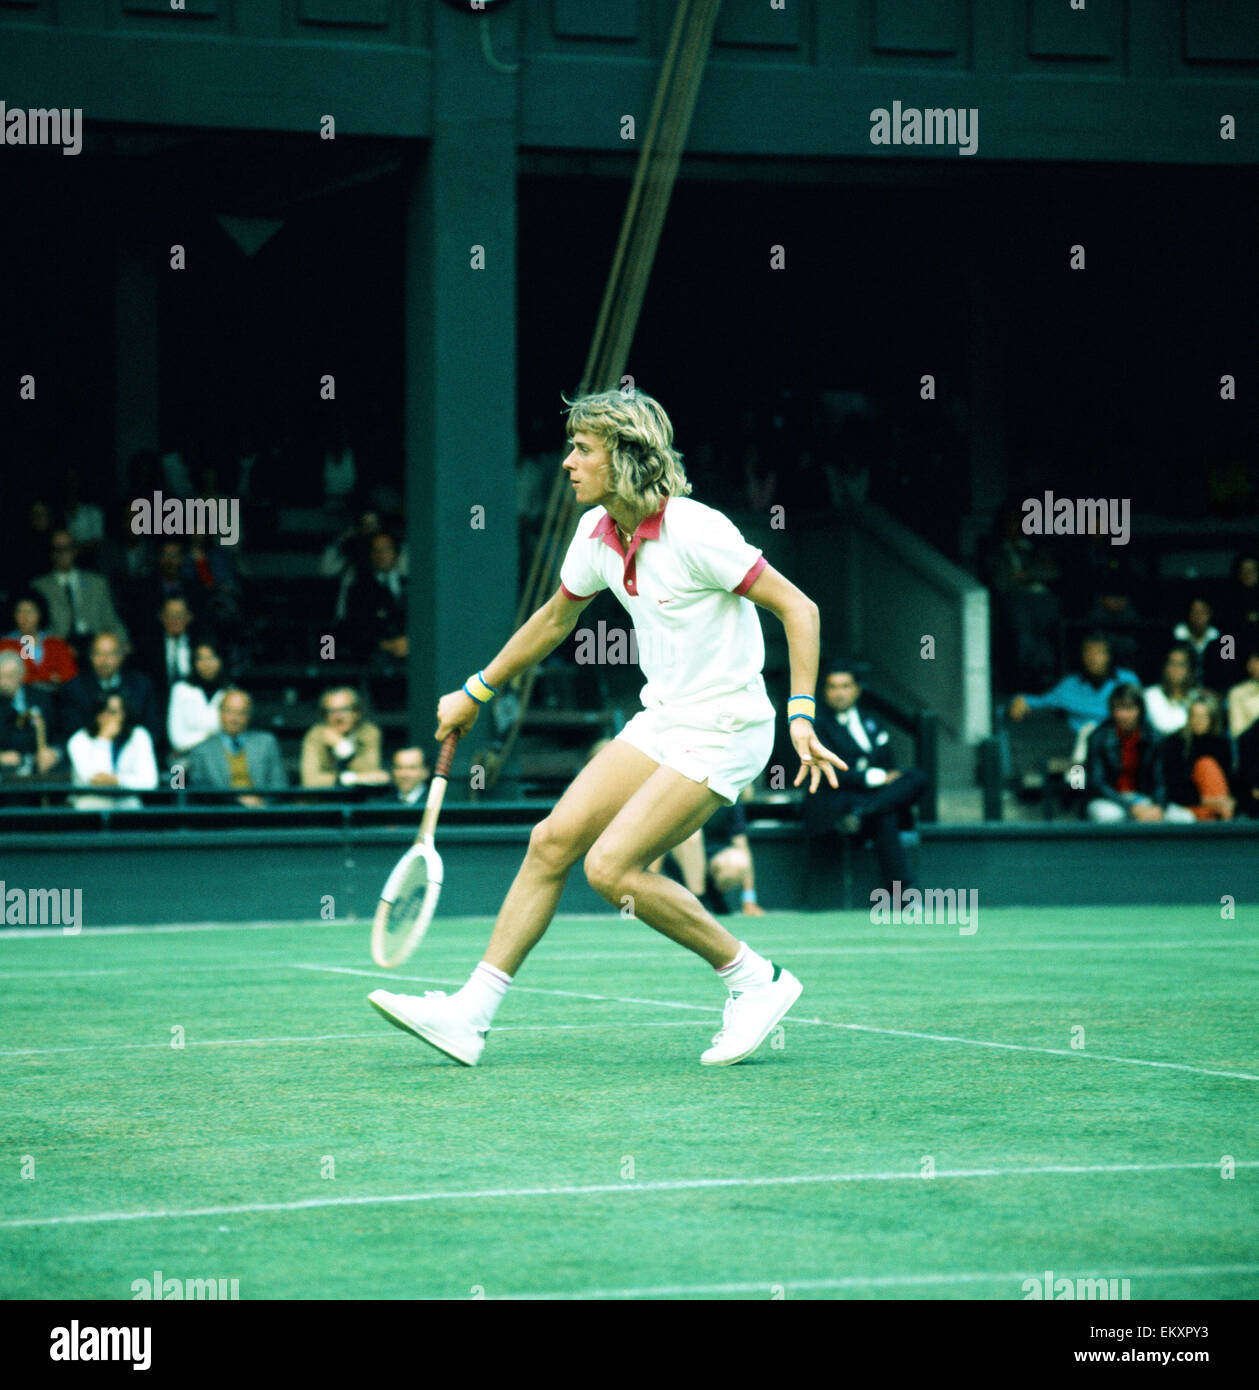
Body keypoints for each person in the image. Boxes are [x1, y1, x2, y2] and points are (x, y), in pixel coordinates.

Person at [367, 388, 844, 1068]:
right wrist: (477, 689)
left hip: (728, 726)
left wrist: (800, 714)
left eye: (582, 449)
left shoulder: (697, 530)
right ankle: (468, 1017)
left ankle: (754, 980)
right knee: (551, 840)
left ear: (623, 457)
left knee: (611, 868)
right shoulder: (595, 535)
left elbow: (800, 608)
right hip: (664, 718)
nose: (566, 463)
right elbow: (556, 619)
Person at [804, 659, 928, 893]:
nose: (839, 693)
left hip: (866, 802)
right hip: (836, 799)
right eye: (833, 687)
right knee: (885, 814)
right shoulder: (816, 725)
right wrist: (876, 778)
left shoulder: (870, 721)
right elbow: (831, 771)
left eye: (845, 686)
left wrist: (878, 780)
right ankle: (903, 894)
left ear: (857, 690)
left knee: (916, 777)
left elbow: (888, 763)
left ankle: (866, 810)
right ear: (825, 692)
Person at [183, 688, 287, 807]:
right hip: (221, 816)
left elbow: (279, 785)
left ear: (249, 716)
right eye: (229, 711)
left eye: (241, 713)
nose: (234, 719)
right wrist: (238, 801)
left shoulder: (266, 743)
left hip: (261, 814)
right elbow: (201, 792)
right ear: (220, 713)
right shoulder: (202, 750)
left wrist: (261, 803)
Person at [32, 530, 130, 655]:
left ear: (75, 551)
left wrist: (123, 642)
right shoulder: (40, 587)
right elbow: (36, 629)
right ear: (51, 553)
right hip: (58, 650)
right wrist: (60, 648)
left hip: (95, 649)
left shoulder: (97, 583)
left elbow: (111, 620)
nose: (63, 553)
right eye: (58, 549)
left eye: (68, 548)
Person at [1084, 684, 1171, 823]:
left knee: (1181, 817)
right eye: (1119, 709)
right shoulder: (1097, 738)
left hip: (1144, 799)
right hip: (1109, 800)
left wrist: (1159, 806)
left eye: (1130, 708)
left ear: (1140, 710)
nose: (1124, 715)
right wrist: (1131, 806)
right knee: (1110, 816)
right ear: (1112, 711)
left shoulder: (1154, 738)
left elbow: (1161, 782)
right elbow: (1096, 783)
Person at [58, 631, 160, 749]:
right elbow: (71, 730)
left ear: (121, 656)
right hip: (90, 754)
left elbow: (152, 727)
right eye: (98, 654)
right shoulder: (74, 688)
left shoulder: (140, 685)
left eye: (110, 654)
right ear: (90, 656)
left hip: (133, 752)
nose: (104, 660)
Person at [67, 692, 158, 810]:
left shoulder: (139, 736)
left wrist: (117, 780)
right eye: (102, 711)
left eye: (112, 712)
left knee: (132, 805)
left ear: (124, 714)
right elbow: (94, 779)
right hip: (90, 805)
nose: (106, 717)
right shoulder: (79, 740)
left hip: (126, 804)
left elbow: (149, 782)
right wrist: (104, 739)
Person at [1159, 691, 1236, 822]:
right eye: (1194, 716)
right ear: (1188, 717)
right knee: (1204, 764)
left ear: (1213, 719)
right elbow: (1173, 786)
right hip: (1185, 804)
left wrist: (1229, 800)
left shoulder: (1221, 744)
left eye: (1204, 716)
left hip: (1217, 802)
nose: (1198, 721)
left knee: (1207, 764)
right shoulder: (1175, 743)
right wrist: (1205, 801)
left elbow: (1230, 782)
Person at [301, 686, 391, 788]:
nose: (338, 716)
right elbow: (310, 781)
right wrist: (349, 779)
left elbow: (371, 774)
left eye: (344, 709)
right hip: (323, 800)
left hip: (359, 799)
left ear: (357, 713)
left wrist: (342, 747)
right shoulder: (315, 735)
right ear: (325, 716)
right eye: (331, 711)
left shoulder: (369, 733)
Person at [0, 650, 60, 777]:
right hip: (6, 773)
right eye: (1, 676)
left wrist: (53, 752)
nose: (4, 682)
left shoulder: (42, 698)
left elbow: (58, 732)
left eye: (10, 676)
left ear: (21, 675)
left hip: (40, 768)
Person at [0, 593, 78, 689]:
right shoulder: (4, 645)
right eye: (20, 612)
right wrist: (49, 677)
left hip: (57, 699)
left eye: (30, 612)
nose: (25, 617)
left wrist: (29, 679)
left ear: (40, 614)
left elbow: (70, 676)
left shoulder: (57, 644)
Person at [167, 640, 230, 756]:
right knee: (177, 773)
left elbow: (232, 737)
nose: (206, 664)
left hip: (220, 761)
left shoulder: (231, 692)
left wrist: (195, 738)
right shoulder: (181, 690)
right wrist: (210, 735)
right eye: (201, 659)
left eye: (211, 658)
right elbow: (177, 740)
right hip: (184, 762)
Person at [1144, 644, 1195, 737]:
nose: (1176, 669)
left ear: (1189, 670)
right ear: (1164, 667)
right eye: (1172, 663)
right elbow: (1163, 726)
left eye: (1182, 664)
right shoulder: (1150, 695)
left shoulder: (1196, 697)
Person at [1227, 645, 1259, 739]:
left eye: (1257, 660)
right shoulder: (1237, 693)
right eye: (1252, 661)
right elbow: (1238, 733)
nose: (1254, 665)